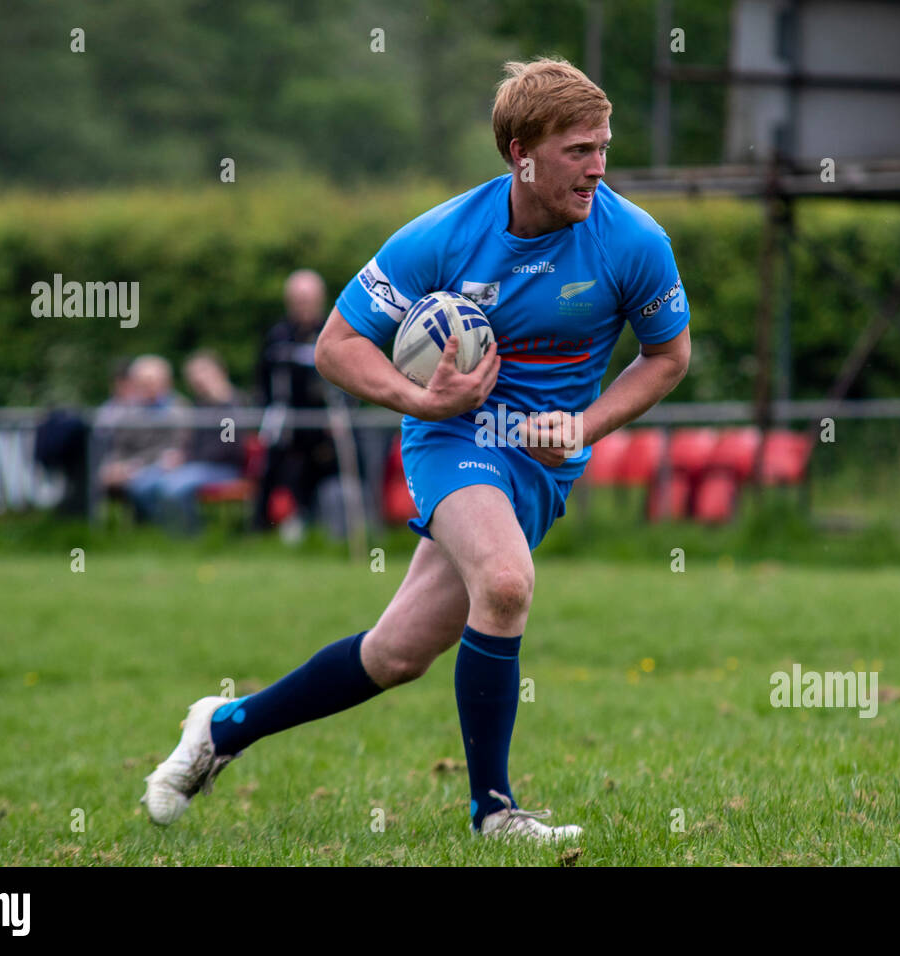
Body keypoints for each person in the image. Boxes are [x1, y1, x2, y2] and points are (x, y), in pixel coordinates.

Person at [143, 58, 691, 840]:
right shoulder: (442, 237)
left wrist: (587, 424)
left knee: (396, 654)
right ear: (520, 154)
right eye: (578, 151)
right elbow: (337, 346)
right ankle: (493, 812)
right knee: (504, 583)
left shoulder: (632, 240)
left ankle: (222, 729)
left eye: (604, 147)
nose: (598, 168)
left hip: (542, 464)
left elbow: (669, 356)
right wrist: (419, 399)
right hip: (454, 436)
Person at [253, 269, 340, 529]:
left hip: (322, 424)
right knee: (271, 473)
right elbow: (261, 376)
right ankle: (259, 530)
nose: (303, 306)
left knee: (323, 473)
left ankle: (322, 529)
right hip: (285, 422)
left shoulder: (332, 331)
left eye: (308, 300)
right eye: (298, 300)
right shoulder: (277, 335)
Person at [148, 350, 248, 533]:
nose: (198, 379)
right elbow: (191, 442)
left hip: (224, 468)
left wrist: (223, 404)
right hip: (198, 465)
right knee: (155, 483)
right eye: (193, 375)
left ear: (221, 372)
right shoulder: (201, 404)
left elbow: (230, 445)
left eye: (203, 372)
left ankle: (190, 537)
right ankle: (169, 535)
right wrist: (181, 457)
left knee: (171, 488)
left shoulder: (234, 404)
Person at [97, 355, 190, 522]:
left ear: (166, 382)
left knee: (143, 485)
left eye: (151, 381)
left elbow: (176, 448)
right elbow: (120, 446)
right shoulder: (128, 411)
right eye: (142, 382)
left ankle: (159, 529)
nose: (148, 387)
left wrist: (135, 466)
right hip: (134, 466)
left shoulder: (178, 409)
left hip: (166, 466)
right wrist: (115, 465)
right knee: (99, 477)